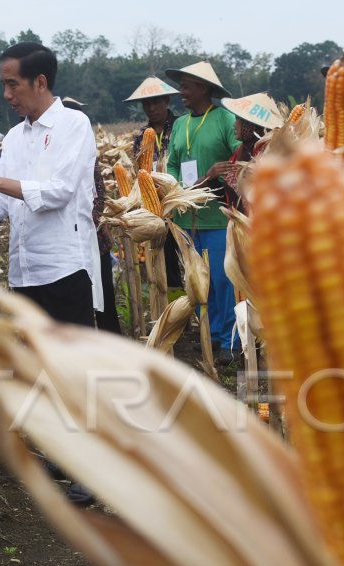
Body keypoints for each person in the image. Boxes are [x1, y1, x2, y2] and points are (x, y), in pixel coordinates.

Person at [0, 42, 100, 505]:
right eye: (3, 84)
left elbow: (58, 192)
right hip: (26, 269)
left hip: (64, 265)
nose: (6, 95)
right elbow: (2, 203)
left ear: (40, 82)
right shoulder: (15, 138)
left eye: (12, 84)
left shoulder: (73, 125)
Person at [164, 61, 241, 359]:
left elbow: (238, 157)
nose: (181, 91)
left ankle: (230, 340)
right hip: (187, 216)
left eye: (186, 86)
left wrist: (218, 173)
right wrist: (174, 187)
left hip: (217, 216)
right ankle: (210, 334)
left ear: (204, 89)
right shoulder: (180, 124)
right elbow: (173, 163)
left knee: (222, 280)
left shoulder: (224, 118)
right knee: (198, 282)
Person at [62, 96, 121, 334]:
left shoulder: (86, 154)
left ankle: (111, 343)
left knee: (104, 297)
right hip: (65, 244)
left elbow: (99, 195)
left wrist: (87, 223)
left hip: (94, 239)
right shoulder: (53, 154)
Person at [124, 76, 183, 289]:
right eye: (146, 104)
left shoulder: (180, 126)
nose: (151, 108)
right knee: (166, 264)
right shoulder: (141, 137)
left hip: (179, 202)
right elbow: (139, 170)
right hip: (155, 208)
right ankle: (175, 305)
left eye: (156, 102)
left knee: (189, 259)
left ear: (167, 101)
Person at [216, 92, 283, 212]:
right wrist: (211, 179)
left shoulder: (269, 154)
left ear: (251, 125)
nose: (234, 125)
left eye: (238, 120)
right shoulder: (241, 152)